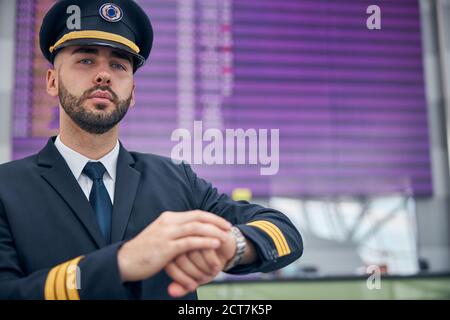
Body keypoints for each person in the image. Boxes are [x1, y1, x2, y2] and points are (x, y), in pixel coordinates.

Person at [0, 0, 303, 300]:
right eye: (86, 60)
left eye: (119, 65)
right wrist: (120, 263)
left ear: (132, 92)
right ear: (52, 81)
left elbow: (283, 231)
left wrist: (232, 244)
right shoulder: (7, 188)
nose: (104, 75)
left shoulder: (175, 179)